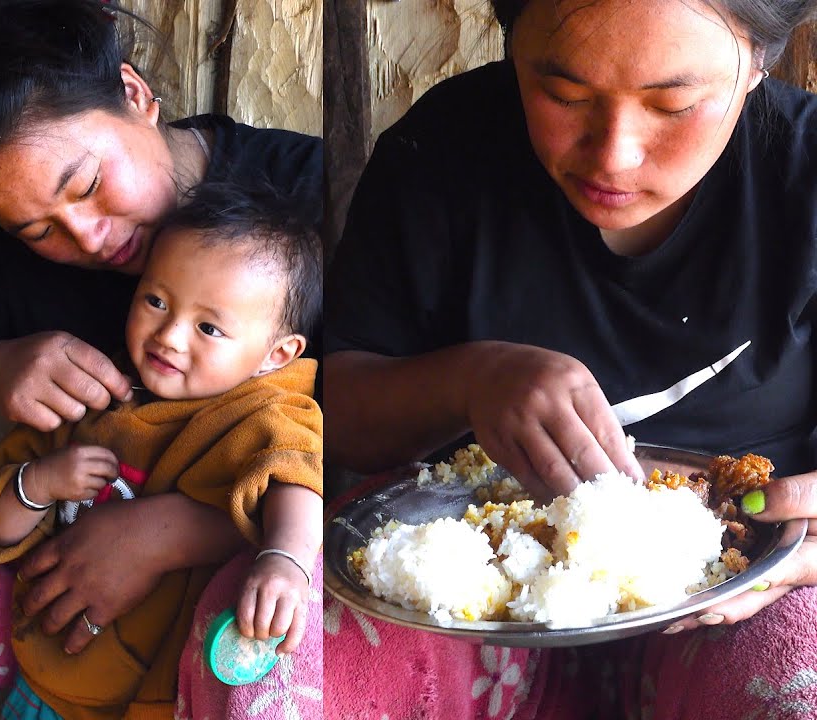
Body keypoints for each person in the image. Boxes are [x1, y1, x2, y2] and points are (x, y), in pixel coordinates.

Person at [324, 0, 817, 716]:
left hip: (742, 593)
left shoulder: (803, 181)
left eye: (673, 103)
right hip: (473, 584)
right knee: (269, 654)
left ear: (760, 63)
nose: (614, 153)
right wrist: (470, 381)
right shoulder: (444, 153)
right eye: (563, 93)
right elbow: (332, 408)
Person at [0, 0, 321, 666]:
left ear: (135, 94)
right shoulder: (11, 266)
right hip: (68, 590)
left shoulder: (308, 199)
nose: (87, 236)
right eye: (38, 229)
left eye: (87, 183)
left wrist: (173, 533)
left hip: (264, 567)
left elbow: (372, 441)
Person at [0, 182, 323, 719]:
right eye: (155, 301)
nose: (170, 336)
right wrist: (39, 484)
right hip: (45, 684)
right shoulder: (93, 398)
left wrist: (285, 561)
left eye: (208, 327)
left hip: (161, 699)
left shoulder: (265, 413)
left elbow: (297, 480)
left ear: (277, 353)